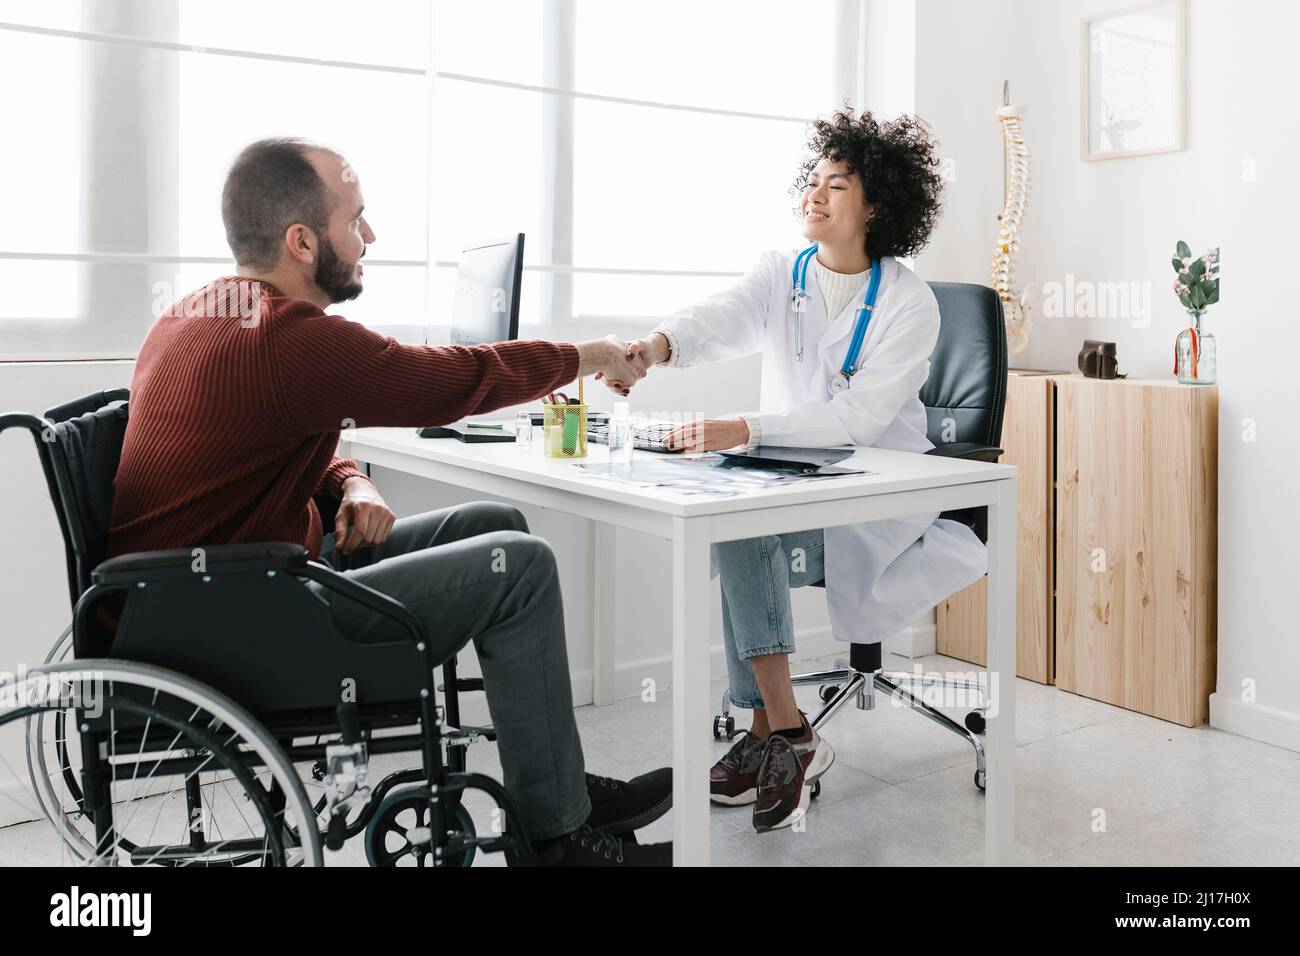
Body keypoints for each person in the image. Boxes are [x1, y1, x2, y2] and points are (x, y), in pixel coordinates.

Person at [104, 137, 671, 866]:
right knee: (520, 567)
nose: (370, 236)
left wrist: (352, 481)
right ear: (303, 240)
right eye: (357, 220)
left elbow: (274, 428)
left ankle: (558, 791)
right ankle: (560, 841)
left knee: (494, 525)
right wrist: (585, 356)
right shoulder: (288, 339)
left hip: (210, 595)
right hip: (237, 623)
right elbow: (447, 380)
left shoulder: (200, 310)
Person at [604, 108, 988, 833]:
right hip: (790, 477)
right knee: (734, 518)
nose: (814, 195)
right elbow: (720, 317)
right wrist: (651, 349)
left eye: (835, 185)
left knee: (743, 527)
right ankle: (785, 730)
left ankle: (764, 736)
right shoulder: (784, 273)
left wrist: (741, 426)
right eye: (812, 181)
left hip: (878, 492)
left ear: (877, 206)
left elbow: (857, 425)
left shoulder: (911, 305)